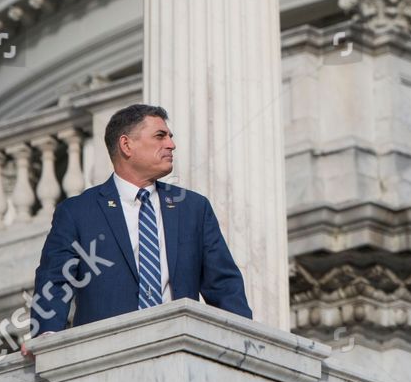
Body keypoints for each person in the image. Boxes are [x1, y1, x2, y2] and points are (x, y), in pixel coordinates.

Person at [22, 103, 250, 354]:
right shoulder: (78, 212)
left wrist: (243, 343)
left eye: (170, 137)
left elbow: (224, 285)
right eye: (160, 136)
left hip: (182, 352)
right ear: (126, 145)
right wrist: (46, 334)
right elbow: (56, 281)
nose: (171, 145)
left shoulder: (193, 208)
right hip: (105, 358)